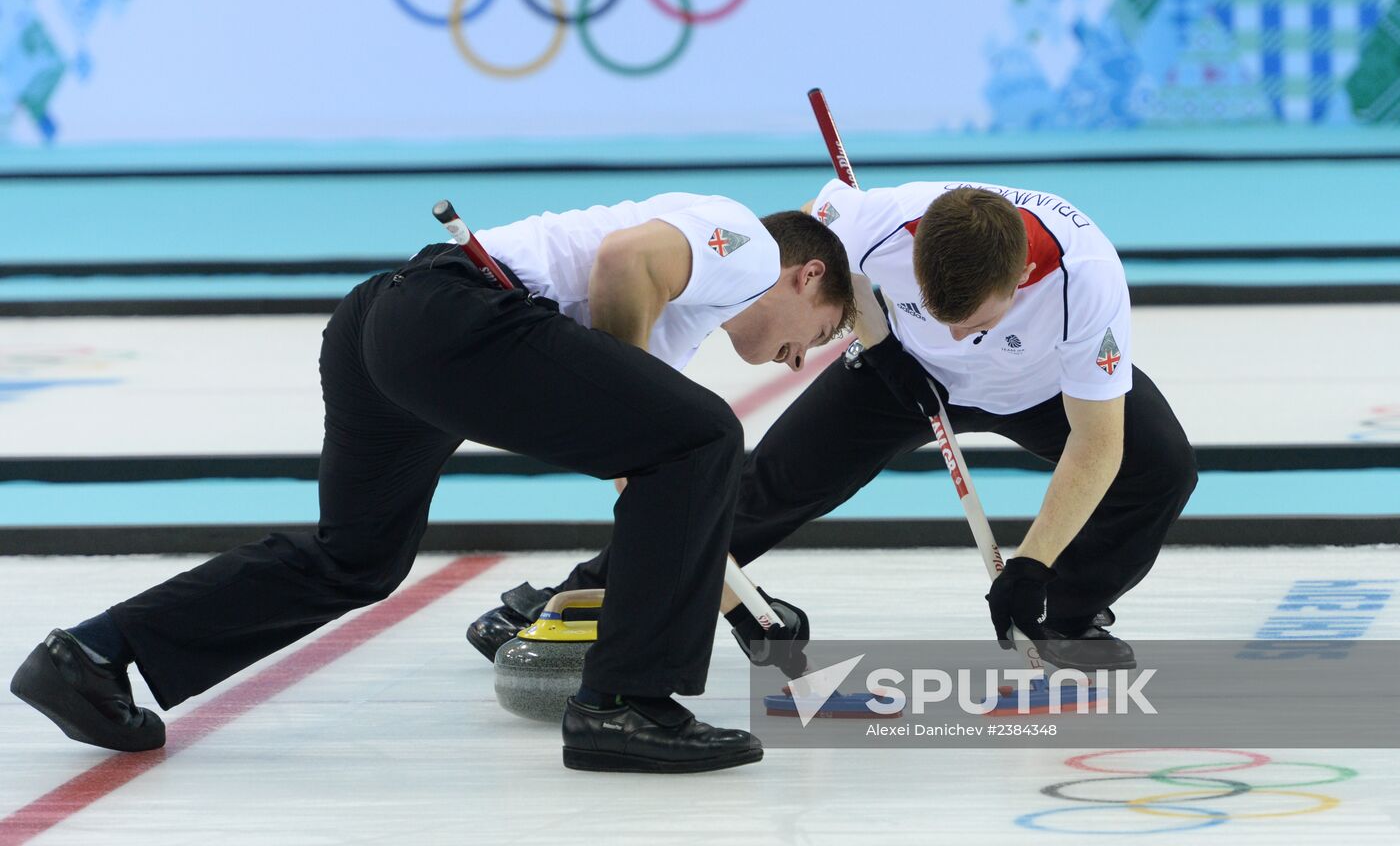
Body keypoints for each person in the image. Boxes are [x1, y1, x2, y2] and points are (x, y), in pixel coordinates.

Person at [10, 192, 856, 774]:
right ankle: (623, 705)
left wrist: (738, 601)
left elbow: (667, 500)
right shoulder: (744, 241)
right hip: (455, 315)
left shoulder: (684, 324)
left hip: (384, 320)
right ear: (807, 276)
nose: (798, 358)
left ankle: (88, 654)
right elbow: (626, 260)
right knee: (708, 431)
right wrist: (638, 427)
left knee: (359, 558)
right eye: (819, 335)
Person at [469, 181, 1197, 673]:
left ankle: (1062, 616)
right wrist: (883, 342)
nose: (956, 332)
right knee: (764, 486)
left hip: (1040, 386)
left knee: (1159, 470)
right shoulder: (884, 219)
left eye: (969, 321)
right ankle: (575, 597)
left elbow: (1096, 442)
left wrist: (1031, 564)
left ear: (1019, 283)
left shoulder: (1088, 280)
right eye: (938, 311)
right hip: (898, 370)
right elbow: (806, 257)